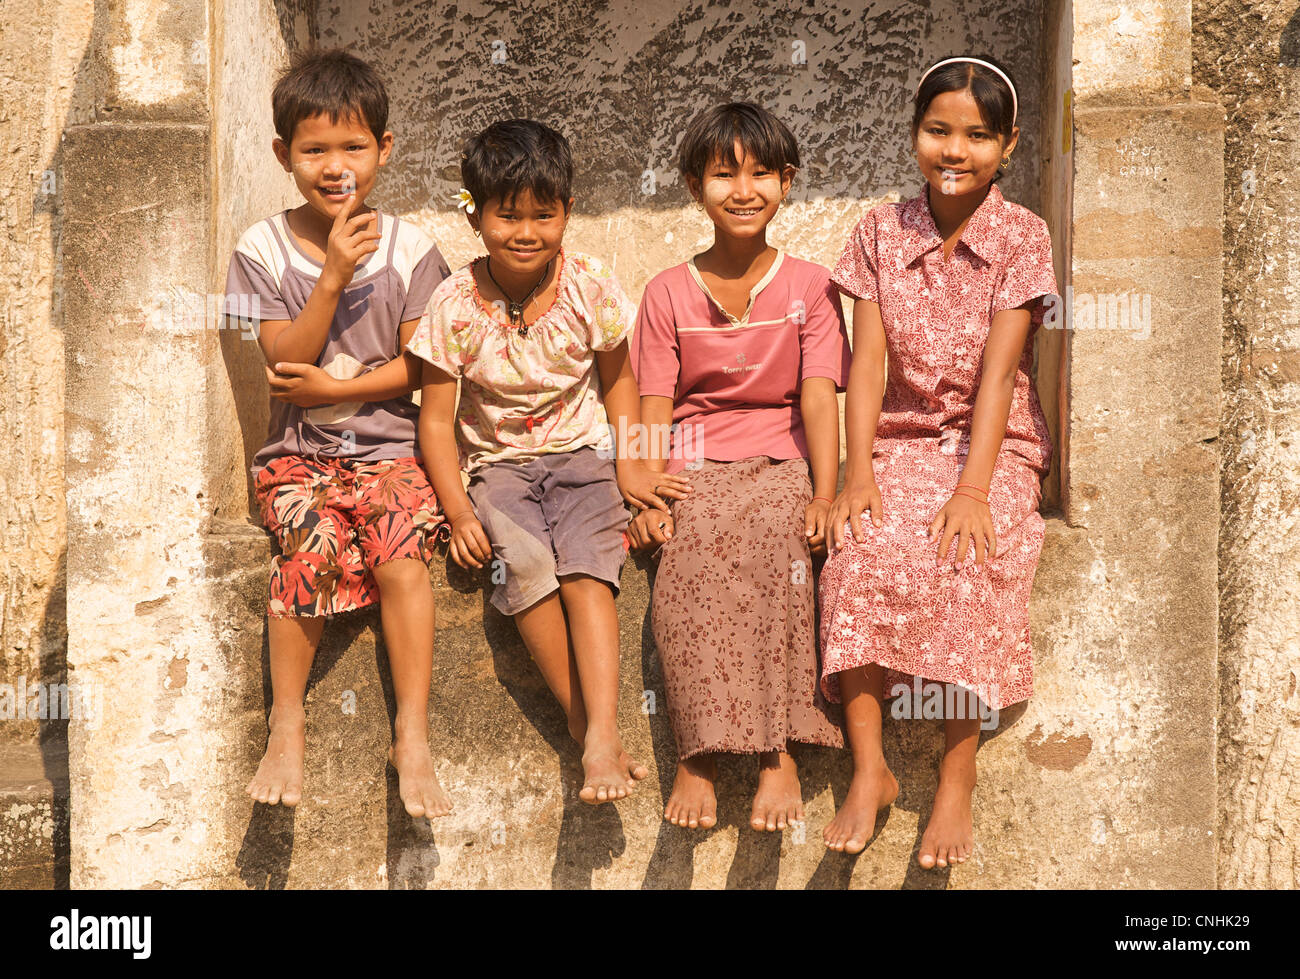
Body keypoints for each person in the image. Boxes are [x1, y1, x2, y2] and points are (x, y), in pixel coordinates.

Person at [818, 56, 1059, 867]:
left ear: (1008, 144)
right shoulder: (880, 233)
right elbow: (866, 365)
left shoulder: (1023, 237)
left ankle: (958, 771)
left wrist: (975, 490)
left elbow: (1000, 375)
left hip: (992, 446)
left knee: (966, 559)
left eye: (977, 135)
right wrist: (857, 474)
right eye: (938, 130)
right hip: (898, 438)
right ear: (915, 133)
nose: (955, 150)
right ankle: (871, 766)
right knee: (857, 553)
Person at [406, 119, 687, 803]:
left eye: (544, 213)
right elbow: (435, 423)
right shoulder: (452, 305)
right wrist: (458, 507)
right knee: (528, 566)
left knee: (591, 569)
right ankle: (589, 729)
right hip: (499, 468)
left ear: (567, 210)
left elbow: (621, 381)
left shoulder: (588, 283)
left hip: (585, 455)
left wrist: (632, 464)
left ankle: (598, 735)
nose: (526, 231)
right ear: (475, 214)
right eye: (507, 215)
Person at [224, 47, 454, 819]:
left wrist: (344, 386)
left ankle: (412, 735)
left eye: (354, 146)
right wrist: (330, 277)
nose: (335, 166)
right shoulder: (261, 250)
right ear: (285, 154)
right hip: (298, 456)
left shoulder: (413, 249)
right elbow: (286, 363)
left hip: (393, 449)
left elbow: (425, 368)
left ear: (383, 150)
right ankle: (286, 722)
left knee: (399, 554)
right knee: (310, 543)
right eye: (314, 149)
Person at [628, 102, 850, 832]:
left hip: (783, 453)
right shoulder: (666, 291)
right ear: (695, 186)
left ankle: (777, 749)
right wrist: (644, 493)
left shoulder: (812, 286)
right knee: (686, 558)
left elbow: (818, 398)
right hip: (694, 458)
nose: (743, 189)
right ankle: (699, 749)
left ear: (787, 184)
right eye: (724, 174)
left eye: (761, 173)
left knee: (783, 545)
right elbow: (655, 402)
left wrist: (826, 490)